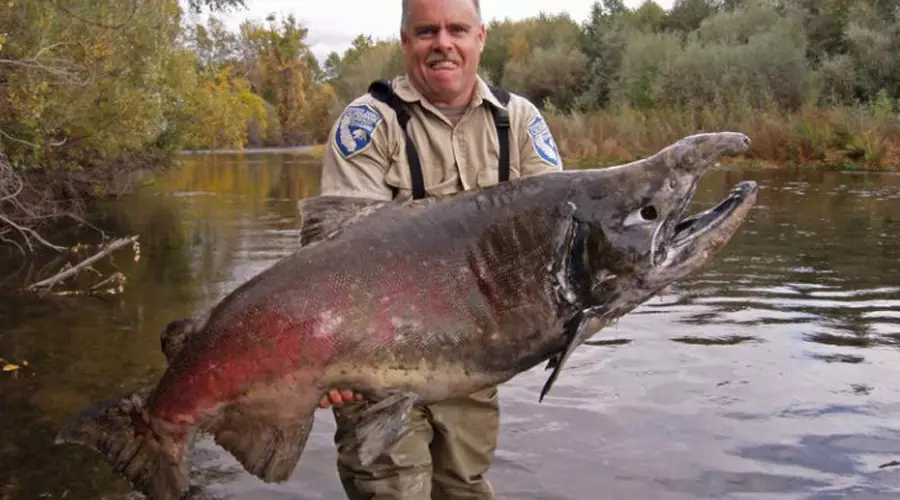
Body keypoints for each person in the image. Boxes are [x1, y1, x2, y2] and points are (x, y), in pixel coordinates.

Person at [314, 0, 564, 498]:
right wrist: (329, 358)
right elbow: (334, 260)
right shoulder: (369, 122)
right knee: (391, 490)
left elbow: (557, 236)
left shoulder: (519, 120)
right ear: (406, 41)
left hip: (474, 359)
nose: (443, 43)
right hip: (374, 361)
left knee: (465, 487)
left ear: (481, 37)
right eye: (427, 31)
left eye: (457, 29)